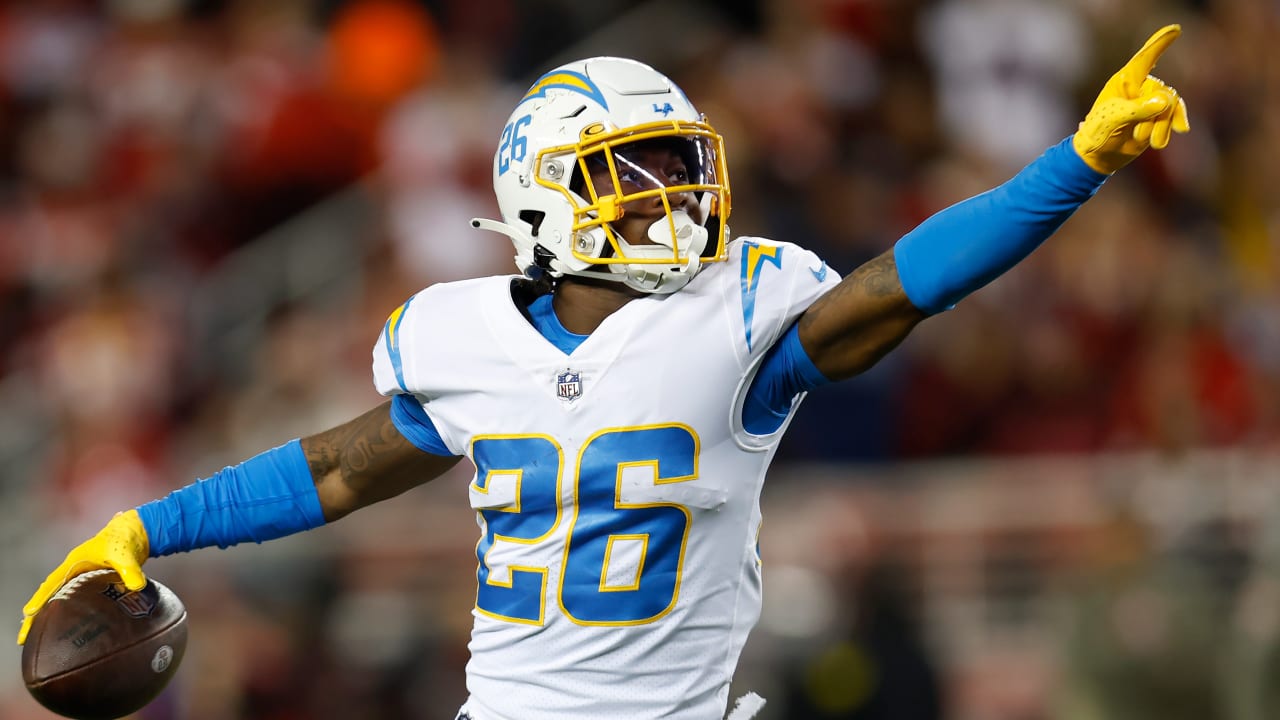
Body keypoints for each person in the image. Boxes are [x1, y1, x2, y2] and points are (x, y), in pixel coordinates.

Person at [17, 24, 1190, 720]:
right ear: (545, 197)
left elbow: (901, 284)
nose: (674, 195)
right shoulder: (462, 338)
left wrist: (1072, 163)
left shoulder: (736, 327)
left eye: (680, 167)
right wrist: (149, 527)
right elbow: (336, 468)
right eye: (634, 170)